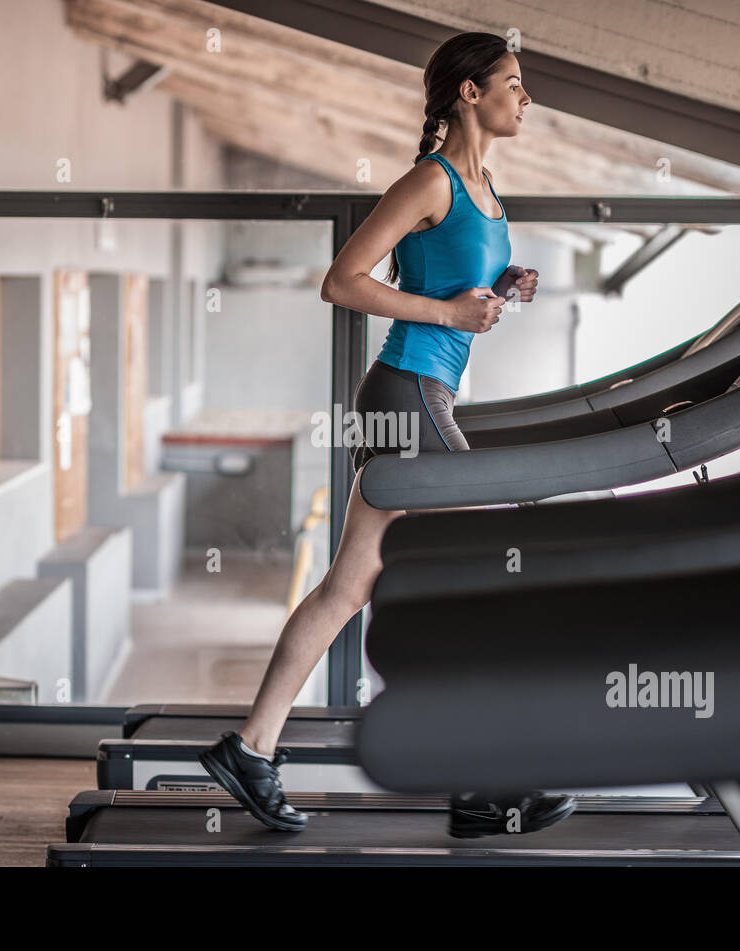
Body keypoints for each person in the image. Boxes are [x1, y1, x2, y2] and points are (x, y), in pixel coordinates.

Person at [199, 32, 575, 839]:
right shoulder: (429, 181)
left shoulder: (485, 185)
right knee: (484, 574)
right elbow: (343, 281)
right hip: (406, 392)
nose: (526, 97)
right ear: (468, 93)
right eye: (513, 83)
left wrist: (498, 293)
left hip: (417, 391)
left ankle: (250, 748)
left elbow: (455, 291)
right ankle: (485, 782)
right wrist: (449, 311)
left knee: (349, 585)